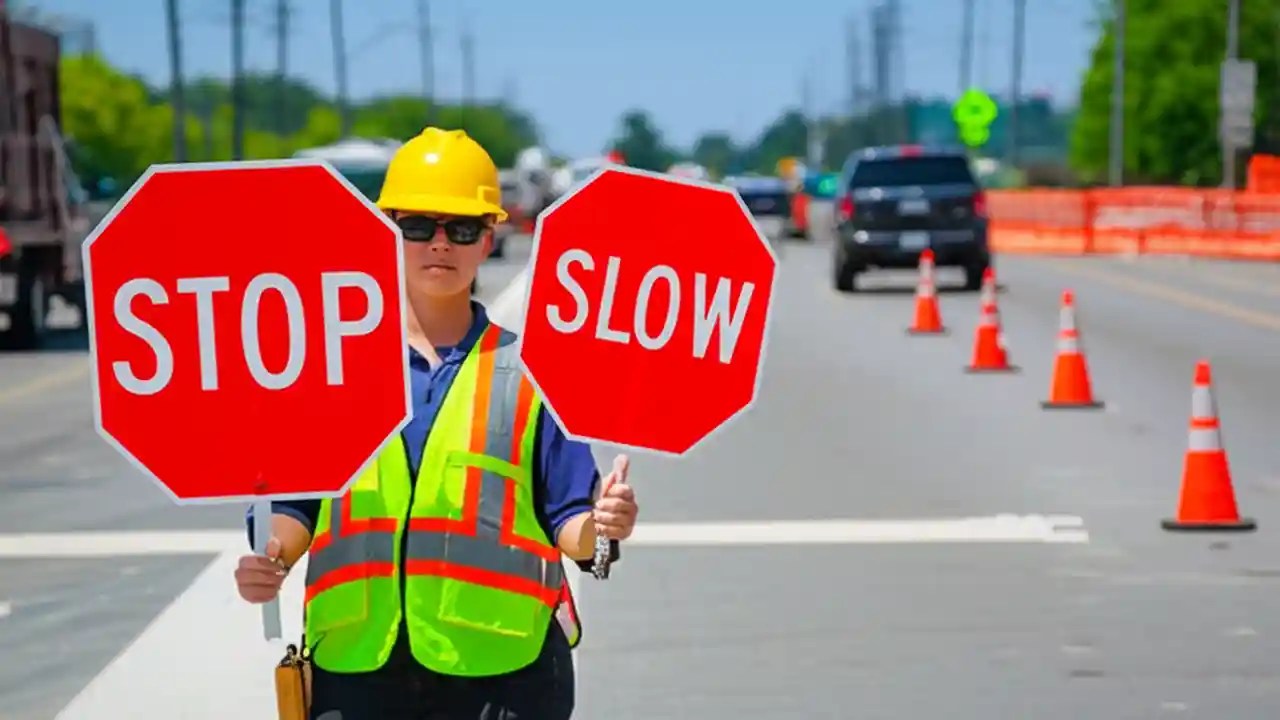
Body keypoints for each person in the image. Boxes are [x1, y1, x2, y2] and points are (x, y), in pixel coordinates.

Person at [234, 127, 640, 720]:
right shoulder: (330, 369)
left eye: (463, 228)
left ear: (488, 238)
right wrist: (271, 559)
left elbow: (570, 521)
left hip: (502, 674)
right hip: (357, 668)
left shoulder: (534, 373)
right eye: (418, 226)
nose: (439, 244)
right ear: (386, 231)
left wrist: (605, 526)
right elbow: (296, 508)